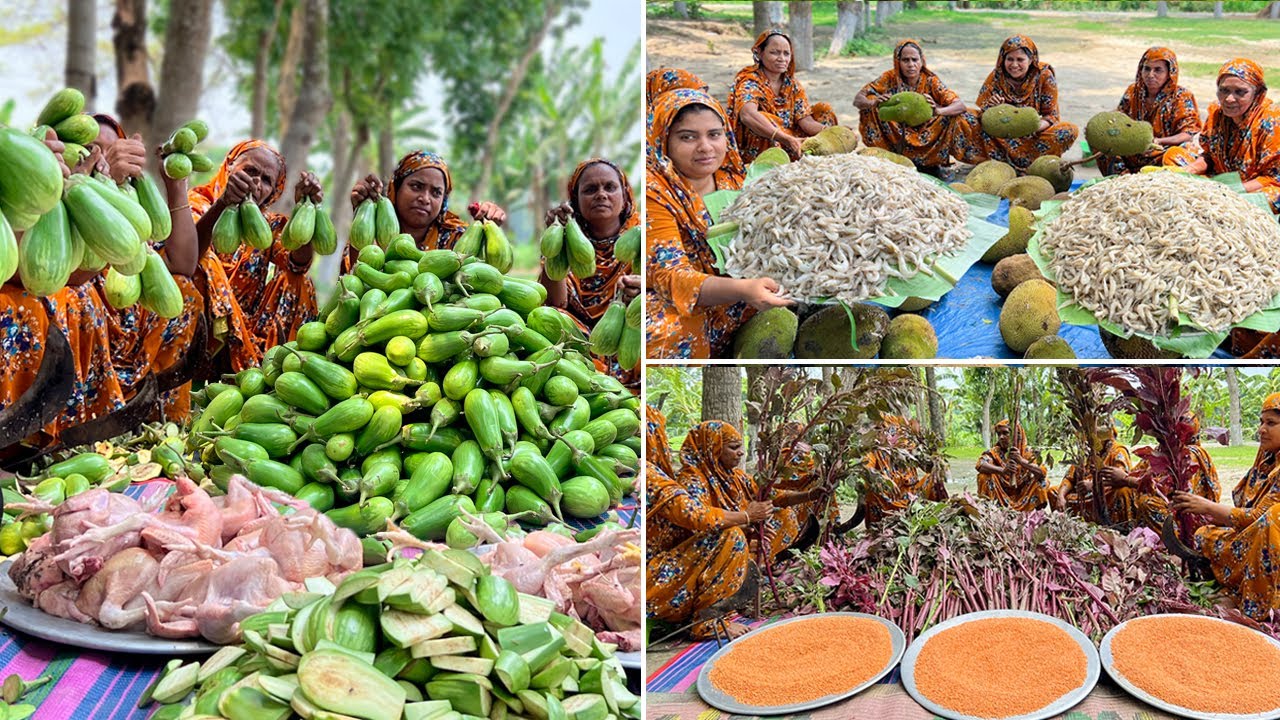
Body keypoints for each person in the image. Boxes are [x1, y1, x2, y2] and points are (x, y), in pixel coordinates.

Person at [646, 88, 791, 359]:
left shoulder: (739, 179)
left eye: (714, 135)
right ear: (664, 141)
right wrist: (744, 289)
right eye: (687, 137)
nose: (705, 147)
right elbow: (672, 275)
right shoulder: (654, 192)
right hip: (690, 302)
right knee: (665, 329)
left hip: (753, 298)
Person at [89, 114, 204, 421]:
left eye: (113, 148)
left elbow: (182, 263)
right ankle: (80, 420)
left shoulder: (133, 197)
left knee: (186, 293)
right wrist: (102, 181)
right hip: (85, 301)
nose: (102, 157)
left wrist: (175, 185)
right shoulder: (62, 188)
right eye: (92, 149)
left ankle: (161, 418)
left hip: (129, 314)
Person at [185, 140, 321, 372]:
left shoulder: (266, 223)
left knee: (298, 282)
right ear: (229, 167)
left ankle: (285, 369)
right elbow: (187, 256)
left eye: (266, 180)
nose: (256, 183)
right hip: (202, 323)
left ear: (273, 192)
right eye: (249, 171)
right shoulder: (198, 203)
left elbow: (298, 263)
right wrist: (223, 204)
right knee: (206, 263)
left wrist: (304, 208)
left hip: (248, 326)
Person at [645, 406, 764, 639]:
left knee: (737, 536)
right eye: (659, 433)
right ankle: (708, 622)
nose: (663, 441)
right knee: (732, 537)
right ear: (713, 448)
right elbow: (697, 516)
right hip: (653, 580)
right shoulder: (671, 478)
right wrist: (746, 518)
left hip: (664, 567)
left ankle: (717, 604)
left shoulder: (732, 477)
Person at [1171, 393, 1280, 620]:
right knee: (1204, 534)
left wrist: (1207, 507)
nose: (1261, 429)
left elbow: (1259, 518)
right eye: (1261, 422)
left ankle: (1252, 607)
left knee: (1272, 520)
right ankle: (1233, 584)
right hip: (1251, 534)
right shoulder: (1267, 460)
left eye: (1271, 423)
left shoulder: (1193, 454)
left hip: (1270, 545)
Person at [541, 159, 640, 388]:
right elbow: (555, 302)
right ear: (575, 200)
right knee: (551, 319)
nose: (601, 195)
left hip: (628, 329)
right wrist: (555, 238)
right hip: (582, 338)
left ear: (625, 195)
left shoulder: (644, 235)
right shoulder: (565, 236)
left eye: (610, 187)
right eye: (590, 189)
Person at [344, 150, 506, 273]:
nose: (425, 198)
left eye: (436, 193)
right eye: (416, 186)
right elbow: (355, 276)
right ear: (396, 187)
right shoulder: (374, 233)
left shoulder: (456, 238)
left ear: (444, 200)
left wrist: (488, 232)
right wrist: (362, 213)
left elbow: (486, 280)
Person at [854, 39, 977, 175]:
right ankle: (885, 158)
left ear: (921, 61)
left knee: (958, 116)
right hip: (895, 128)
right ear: (897, 62)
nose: (911, 65)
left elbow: (960, 105)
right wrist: (874, 102)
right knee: (868, 108)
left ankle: (932, 163)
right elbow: (858, 100)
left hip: (926, 129)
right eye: (905, 60)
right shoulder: (889, 77)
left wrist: (938, 111)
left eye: (915, 60)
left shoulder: (930, 80)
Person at [725, 29, 838, 163]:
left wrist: (833, 133)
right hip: (764, 140)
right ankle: (771, 163)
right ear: (760, 53)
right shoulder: (750, 81)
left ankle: (807, 155)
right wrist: (785, 138)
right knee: (764, 119)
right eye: (774, 52)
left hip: (790, 139)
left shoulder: (792, 84)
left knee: (824, 111)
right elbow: (748, 115)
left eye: (786, 53)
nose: (782, 59)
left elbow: (805, 121)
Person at [1184, 58, 1280, 214]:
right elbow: (1208, 155)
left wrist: (1232, 191)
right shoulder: (1217, 112)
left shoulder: (1272, 120)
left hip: (1255, 186)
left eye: (1240, 92)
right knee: (1176, 155)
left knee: (1272, 198)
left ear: (1257, 94)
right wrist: (1191, 169)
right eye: (1224, 90)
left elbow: (1274, 178)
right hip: (1222, 180)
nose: (1229, 99)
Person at [971, 35, 1078, 171]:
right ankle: (999, 164)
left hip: (1033, 137)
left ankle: (1035, 166)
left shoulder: (1044, 75)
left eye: (1020, 60)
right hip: (1002, 139)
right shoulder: (996, 76)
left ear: (1031, 59)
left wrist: (1029, 127)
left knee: (1068, 130)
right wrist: (991, 108)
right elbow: (983, 117)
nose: (1014, 65)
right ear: (1002, 59)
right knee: (967, 117)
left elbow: (1051, 117)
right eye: (1010, 59)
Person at [1101, 414, 1219, 533]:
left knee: (1147, 503)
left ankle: (1176, 541)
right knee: (1122, 492)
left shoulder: (1190, 454)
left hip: (1185, 514)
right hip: (1167, 504)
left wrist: (1126, 480)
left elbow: (1165, 489)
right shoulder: (1162, 450)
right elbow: (1137, 473)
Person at [1097, 47, 1200, 176]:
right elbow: (1120, 118)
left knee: (1180, 153)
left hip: (1162, 151)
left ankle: (1166, 184)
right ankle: (1123, 179)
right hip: (1134, 150)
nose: (1150, 75)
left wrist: (1158, 141)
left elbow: (1188, 133)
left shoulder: (1182, 96)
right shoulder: (1133, 92)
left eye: (1158, 70)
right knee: (1101, 140)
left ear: (1170, 73)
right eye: (1147, 69)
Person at [862, 415, 948, 526]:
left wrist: (927, 448)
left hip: (914, 494)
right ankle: (879, 530)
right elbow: (866, 468)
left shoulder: (903, 427)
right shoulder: (873, 443)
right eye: (879, 430)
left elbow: (926, 466)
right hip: (889, 499)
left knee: (934, 478)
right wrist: (883, 479)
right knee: (871, 490)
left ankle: (944, 518)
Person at [1052, 424, 1133, 523]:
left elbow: (1121, 478)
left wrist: (1093, 485)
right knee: (1053, 492)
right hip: (1082, 495)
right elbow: (1070, 478)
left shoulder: (1118, 451)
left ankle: (1116, 527)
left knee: (1123, 492)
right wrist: (1061, 496)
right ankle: (1065, 526)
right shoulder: (1086, 453)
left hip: (1104, 494)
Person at [976, 420, 1048, 511]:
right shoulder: (995, 452)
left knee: (1042, 481)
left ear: (1017, 435)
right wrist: (1002, 470)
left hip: (1023, 495)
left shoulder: (1029, 453)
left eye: (1005, 433)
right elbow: (980, 464)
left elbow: (1042, 472)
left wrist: (1021, 461)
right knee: (983, 476)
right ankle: (991, 510)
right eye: (999, 434)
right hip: (1000, 495)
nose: (1001, 437)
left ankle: (1034, 513)